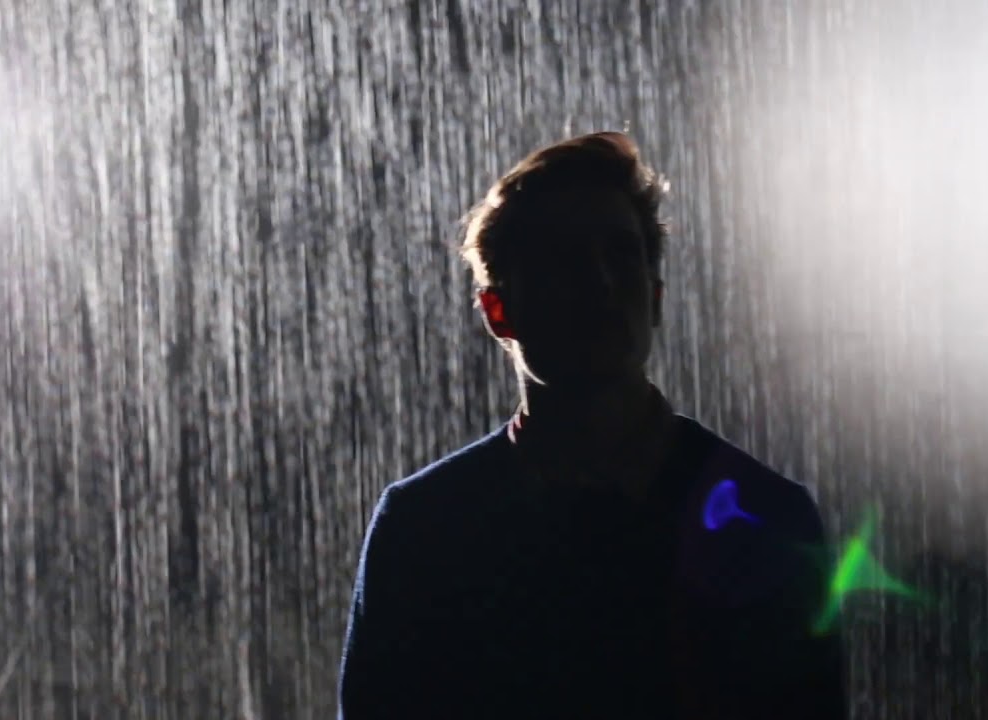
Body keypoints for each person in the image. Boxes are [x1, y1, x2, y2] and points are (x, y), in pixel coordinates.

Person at [337, 132, 847, 719]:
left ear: (656, 298)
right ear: (498, 311)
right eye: (563, 259)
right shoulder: (421, 529)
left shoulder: (771, 521)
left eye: (621, 254)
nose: (601, 282)